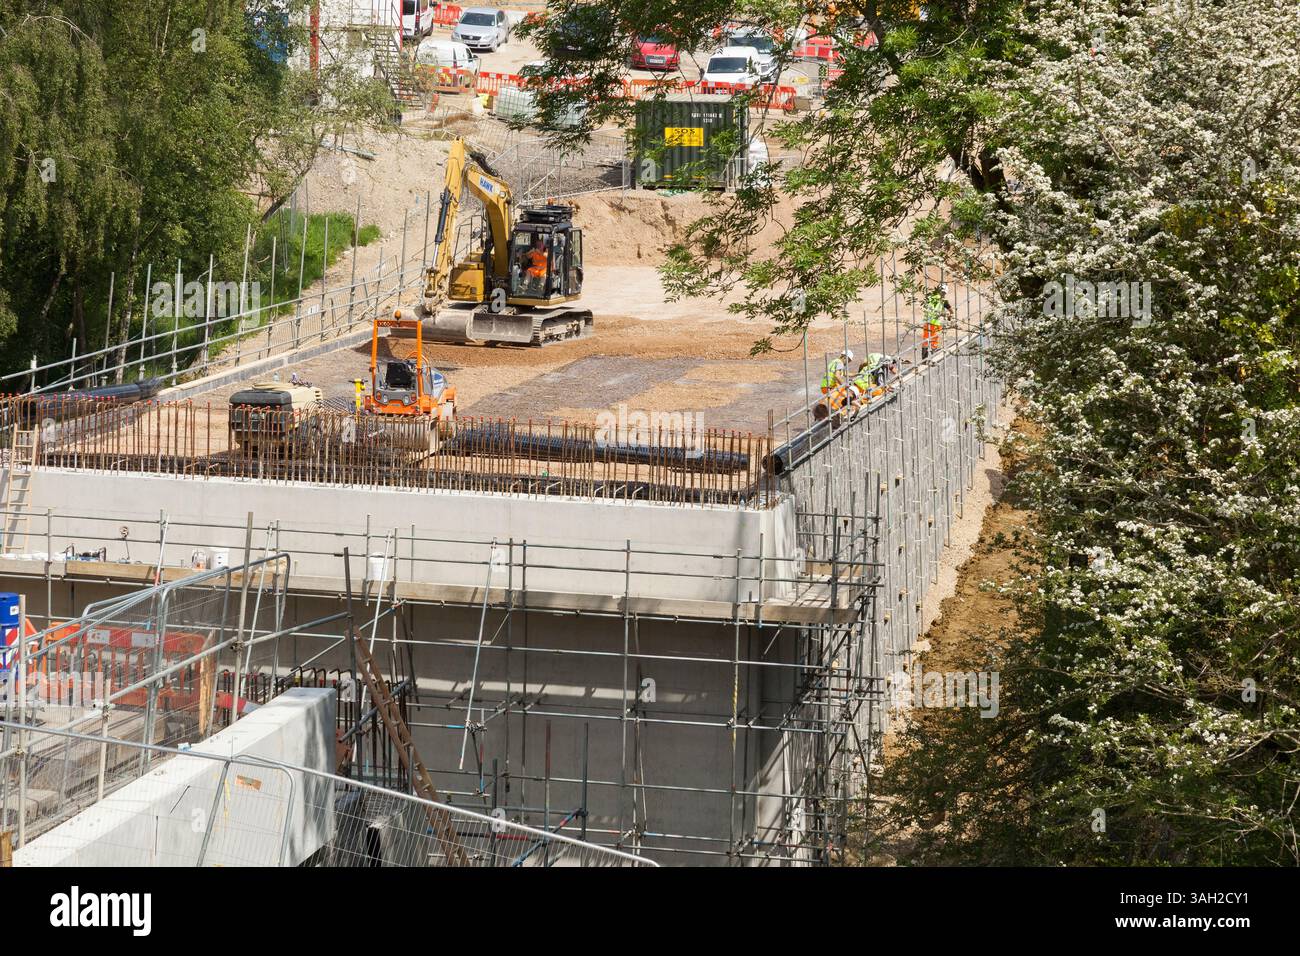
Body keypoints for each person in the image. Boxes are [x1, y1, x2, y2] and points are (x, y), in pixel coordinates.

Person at [922, 284, 953, 361]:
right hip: (935, 323)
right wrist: (949, 317)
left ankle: (924, 359)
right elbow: (951, 312)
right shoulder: (944, 301)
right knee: (934, 341)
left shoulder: (930, 298)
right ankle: (932, 358)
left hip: (927, 322)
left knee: (926, 340)